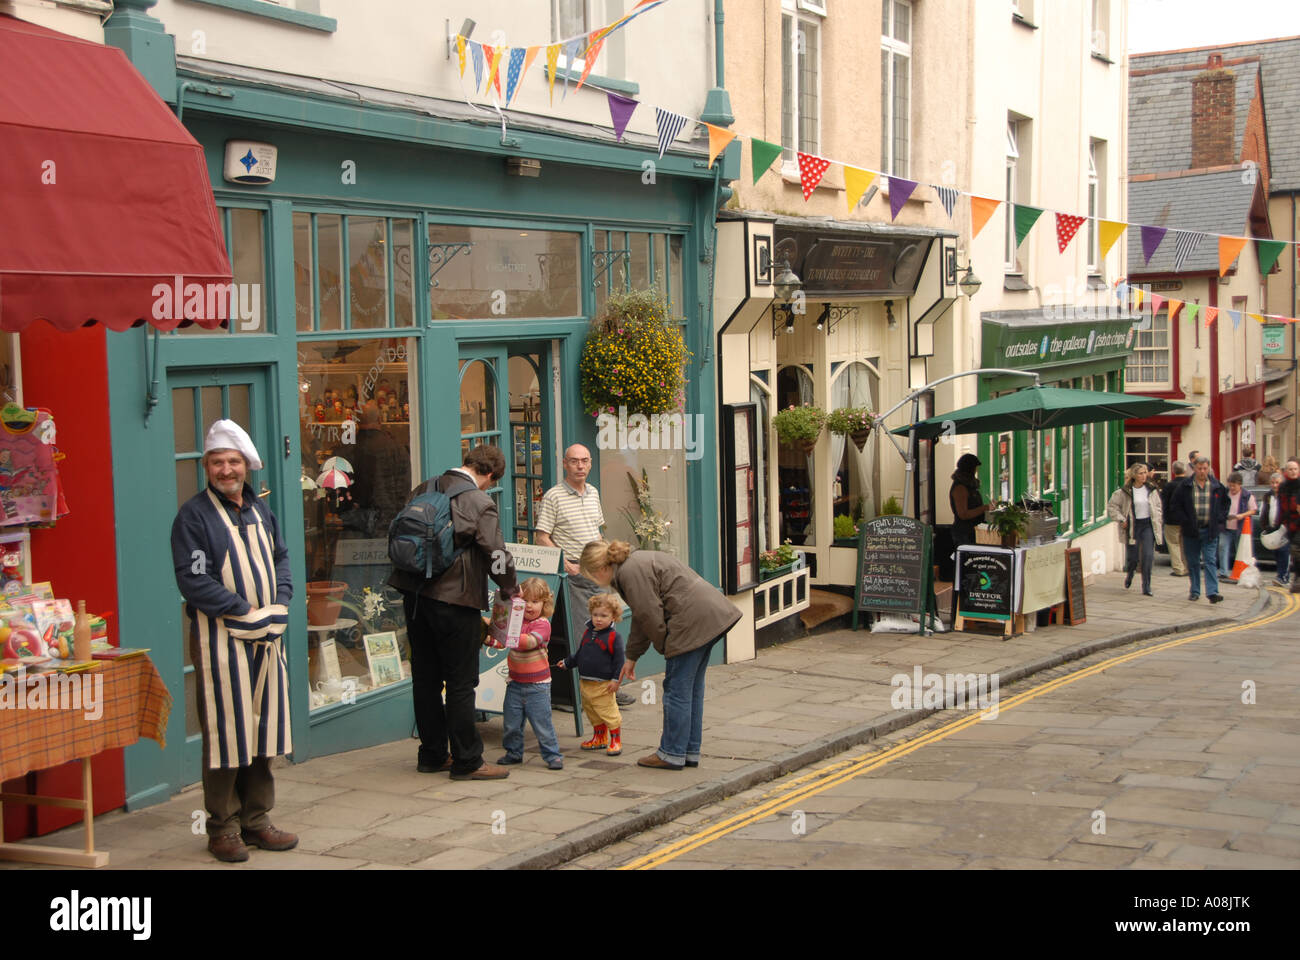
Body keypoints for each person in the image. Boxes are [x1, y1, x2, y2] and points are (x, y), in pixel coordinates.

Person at [171, 420, 297, 863]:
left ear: (246, 466)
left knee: (263, 725)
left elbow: (281, 557)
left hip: (267, 637)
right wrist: (242, 609)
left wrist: (280, 600)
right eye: (217, 462)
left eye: (233, 461)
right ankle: (222, 828)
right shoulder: (194, 516)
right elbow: (194, 578)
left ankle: (257, 820)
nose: (226, 469)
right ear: (207, 466)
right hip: (219, 639)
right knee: (227, 730)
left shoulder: (260, 510)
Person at [388, 445, 518, 780]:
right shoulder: (478, 501)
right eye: (490, 482)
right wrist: (509, 588)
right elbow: (496, 553)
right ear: (490, 474)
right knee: (461, 683)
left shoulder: (425, 487)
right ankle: (467, 761)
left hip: (414, 596)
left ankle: (432, 755)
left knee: (426, 680)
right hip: (456, 602)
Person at [580, 540, 741, 771]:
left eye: (592, 577)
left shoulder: (629, 573)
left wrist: (666, 648)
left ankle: (672, 753)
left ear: (600, 570)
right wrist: (632, 656)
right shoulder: (635, 562)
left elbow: (649, 616)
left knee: (676, 691)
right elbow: (641, 615)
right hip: (708, 615)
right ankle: (688, 751)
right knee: (691, 690)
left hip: (690, 622)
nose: (595, 582)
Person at [535, 443, 633, 708]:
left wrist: (607, 560)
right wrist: (567, 564)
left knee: (609, 632)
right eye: (574, 461)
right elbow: (542, 537)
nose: (580, 466)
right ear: (565, 464)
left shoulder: (592, 492)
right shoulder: (553, 497)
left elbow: (596, 531)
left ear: (590, 464)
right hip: (576, 574)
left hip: (599, 570)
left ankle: (610, 689)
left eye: (585, 461)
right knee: (585, 636)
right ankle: (586, 695)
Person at [485, 578, 563, 770]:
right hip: (515, 683)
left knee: (542, 724)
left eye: (535, 602)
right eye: (525, 601)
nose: (529, 606)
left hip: (538, 685)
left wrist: (500, 631)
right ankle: (513, 753)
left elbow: (528, 642)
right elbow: (502, 643)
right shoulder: (515, 622)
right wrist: (488, 637)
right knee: (511, 724)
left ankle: (552, 755)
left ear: (544, 604)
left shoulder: (543, 624)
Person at [554, 593, 626, 756]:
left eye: (603, 615)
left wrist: (616, 680)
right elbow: (581, 654)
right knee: (591, 710)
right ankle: (599, 737)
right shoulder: (588, 633)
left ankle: (615, 739)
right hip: (586, 681)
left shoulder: (614, 637)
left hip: (603, 684)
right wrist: (567, 662)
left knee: (607, 711)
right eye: (595, 615)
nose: (598, 619)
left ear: (613, 616)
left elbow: (620, 661)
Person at [1166, 456, 1230, 604]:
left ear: (1209, 469)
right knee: (1193, 562)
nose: (1202, 471)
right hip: (1191, 531)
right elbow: (1175, 505)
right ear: (1194, 469)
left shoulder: (1217, 486)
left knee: (1210, 561)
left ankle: (1212, 592)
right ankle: (1195, 591)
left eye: (1205, 468)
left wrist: (1219, 519)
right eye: (1199, 468)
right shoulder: (1185, 486)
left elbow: (1225, 504)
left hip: (1210, 530)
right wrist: (1184, 520)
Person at [347, 400, 410, 537]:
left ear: (356, 422)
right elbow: (404, 487)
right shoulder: (396, 449)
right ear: (380, 420)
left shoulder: (349, 449)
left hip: (354, 520)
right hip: (388, 517)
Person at [1107, 461, 1164, 596]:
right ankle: (1130, 573)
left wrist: (1158, 519)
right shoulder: (1124, 491)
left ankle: (1146, 586)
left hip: (1147, 525)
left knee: (1148, 556)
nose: (1144, 476)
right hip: (1133, 526)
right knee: (1133, 558)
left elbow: (1157, 506)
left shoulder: (1151, 489)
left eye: (1145, 473)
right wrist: (1121, 519)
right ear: (1134, 475)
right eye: (1140, 473)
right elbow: (1112, 507)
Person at [1218, 472, 1257, 578]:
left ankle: (1241, 572)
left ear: (1239, 484)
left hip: (1240, 527)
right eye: (1229, 485)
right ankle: (1223, 572)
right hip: (1226, 527)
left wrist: (1242, 515)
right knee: (1222, 547)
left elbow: (1253, 510)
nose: (1231, 488)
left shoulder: (1247, 495)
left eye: (1233, 486)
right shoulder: (1225, 493)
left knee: (1240, 551)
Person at [949, 453, 989, 551]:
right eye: (975, 468)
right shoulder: (960, 488)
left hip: (973, 532)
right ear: (969, 469)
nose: (976, 471)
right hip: (964, 534)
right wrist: (984, 508)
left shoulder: (970, 486)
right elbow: (963, 514)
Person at [1259, 470, 1291, 588]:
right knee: (1277, 553)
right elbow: (1264, 512)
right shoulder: (1268, 496)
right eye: (1272, 483)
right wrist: (1265, 526)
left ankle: (1284, 577)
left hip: (1284, 529)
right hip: (1272, 529)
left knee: (1284, 552)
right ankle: (1280, 575)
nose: (1275, 485)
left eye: (1277, 482)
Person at [1161, 461, 1188, 578]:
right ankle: (1187, 567)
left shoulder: (1168, 486)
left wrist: (1164, 517)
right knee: (1185, 544)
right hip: (1186, 519)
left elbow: (1164, 503)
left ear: (1173, 471)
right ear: (1185, 471)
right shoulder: (1189, 484)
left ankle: (1178, 569)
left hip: (1171, 519)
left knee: (1173, 544)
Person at [1279, 457, 1300, 593]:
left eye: (1295, 469)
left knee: (1295, 550)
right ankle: (1297, 578)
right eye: (1290, 469)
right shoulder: (1284, 486)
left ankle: (1297, 578)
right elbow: (1281, 506)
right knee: (1294, 554)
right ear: (1286, 471)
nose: (1293, 471)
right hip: (1290, 524)